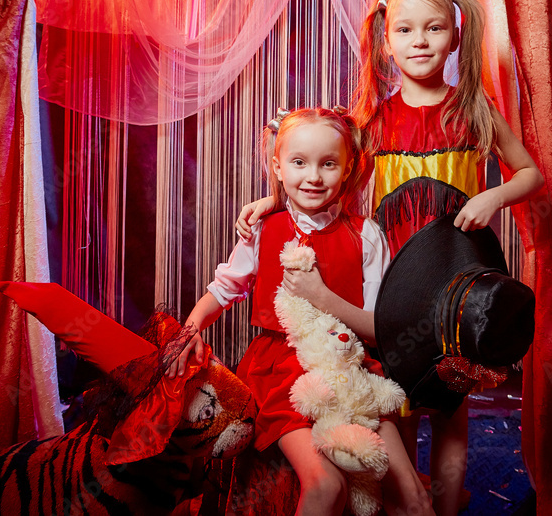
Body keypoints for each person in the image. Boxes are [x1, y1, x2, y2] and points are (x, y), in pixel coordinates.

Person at [238, 0, 544, 516]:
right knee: (393, 403)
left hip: (455, 286)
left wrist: (495, 196)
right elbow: (320, 176)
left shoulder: (472, 109)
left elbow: (530, 174)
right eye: (405, 29)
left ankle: (444, 510)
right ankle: (405, 505)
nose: (419, 41)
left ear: (454, 37)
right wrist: (273, 204)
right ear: (386, 40)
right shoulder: (371, 121)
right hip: (391, 286)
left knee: (450, 414)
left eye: (433, 29)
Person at [171, 107, 432, 516]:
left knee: (411, 495)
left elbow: (382, 328)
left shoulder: (366, 235)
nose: (313, 176)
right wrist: (189, 331)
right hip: (279, 376)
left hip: (351, 371)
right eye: (298, 162)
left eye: (328, 164)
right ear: (277, 166)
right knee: (326, 486)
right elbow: (223, 291)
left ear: (347, 170)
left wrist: (323, 297)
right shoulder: (262, 228)